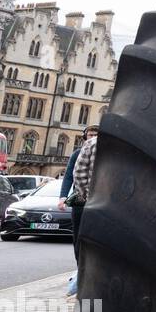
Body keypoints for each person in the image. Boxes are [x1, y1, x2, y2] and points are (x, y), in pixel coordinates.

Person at [60, 125, 98, 296]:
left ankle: (85, 275)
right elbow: (70, 175)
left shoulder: (93, 147)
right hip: (80, 198)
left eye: (95, 134)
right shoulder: (77, 153)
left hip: (87, 195)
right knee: (78, 236)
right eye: (89, 134)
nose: (91, 136)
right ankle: (80, 270)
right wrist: (62, 197)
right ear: (84, 136)